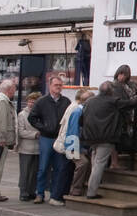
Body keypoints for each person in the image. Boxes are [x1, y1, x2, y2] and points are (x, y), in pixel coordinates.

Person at [28, 76, 70, 204]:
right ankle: (40, 194)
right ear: (50, 86)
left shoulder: (66, 101)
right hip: (46, 138)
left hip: (59, 138)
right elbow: (32, 117)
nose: (58, 87)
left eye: (60, 85)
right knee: (43, 167)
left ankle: (54, 195)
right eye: (56, 85)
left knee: (59, 167)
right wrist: (43, 127)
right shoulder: (42, 101)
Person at [81, 81, 125, 200]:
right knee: (99, 164)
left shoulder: (90, 102)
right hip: (105, 138)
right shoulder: (112, 101)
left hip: (91, 138)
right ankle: (91, 192)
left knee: (95, 163)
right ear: (111, 91)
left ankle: (91, 188)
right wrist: (136, 99)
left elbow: (82, 119)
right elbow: (129, 104)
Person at [53, 88, 93, 200]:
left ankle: (79, 188)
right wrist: (72, 149)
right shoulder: (77, 112)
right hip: (73, 145)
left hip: (76, 144)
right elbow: (73, 130)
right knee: (82, 163)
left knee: (82, 164)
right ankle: (75, 189)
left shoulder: (80, 111)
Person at [16, 91, 42, 201]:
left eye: (34, 102)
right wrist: (35, 134)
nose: (31, 104)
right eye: (30, 101)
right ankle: (23, 192)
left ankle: (32, 191)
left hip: (38, 148)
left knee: (34, 172)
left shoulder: (41, 114)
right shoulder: (22, 115)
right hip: (25, 148)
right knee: (25, 171)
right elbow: (21, 132)